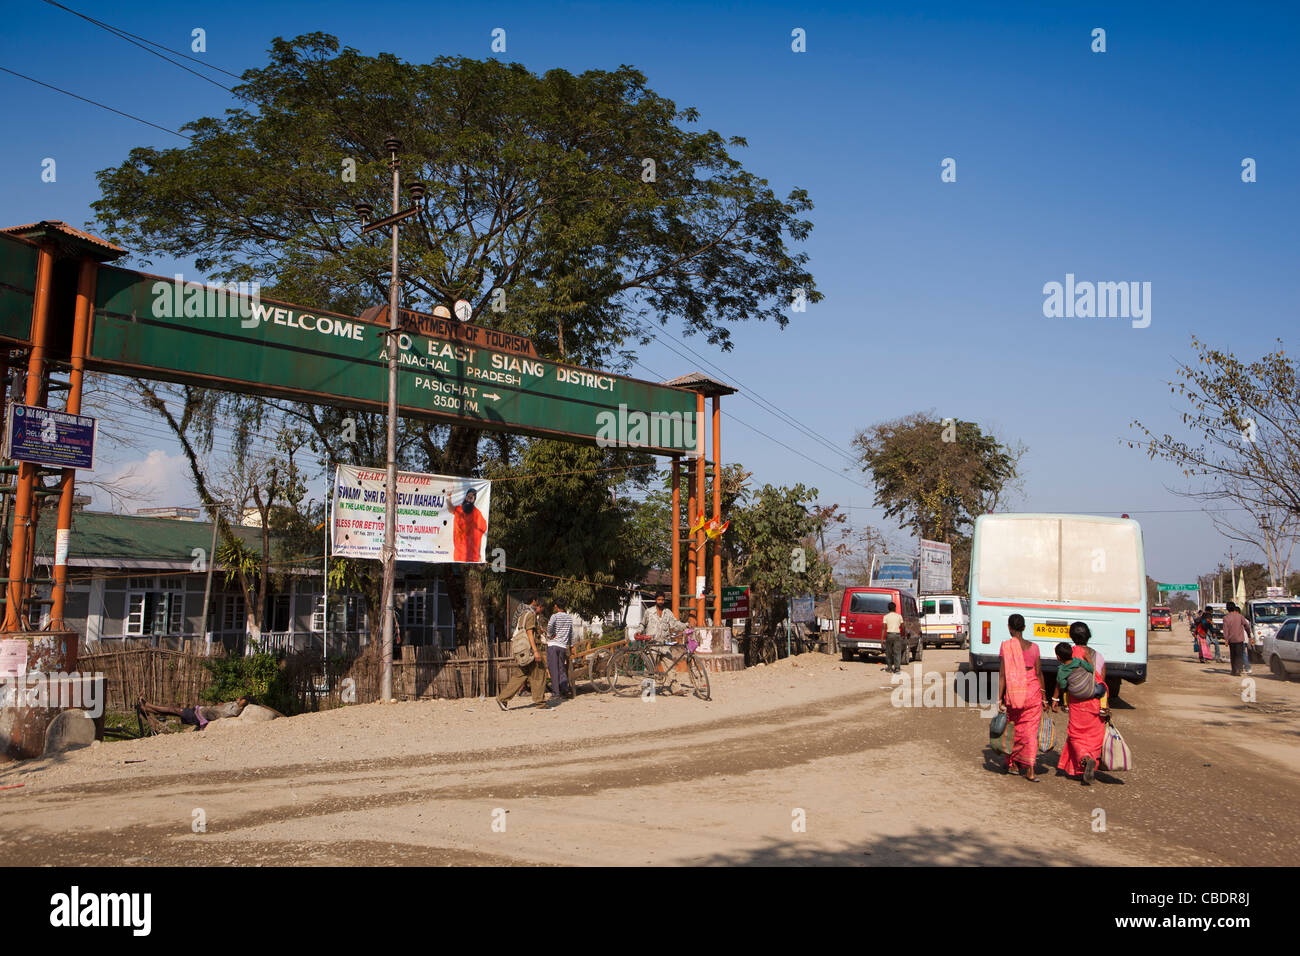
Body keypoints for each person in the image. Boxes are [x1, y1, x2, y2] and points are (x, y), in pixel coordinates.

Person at [1051, 622, 1108, 785]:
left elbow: (1060, 680)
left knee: (1076, 733)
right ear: (1088, 636)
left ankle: (1084, 757)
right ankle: (1091, 760)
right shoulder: (1098, 656)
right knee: (1094, 735)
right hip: (1095, 701)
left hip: (1077, 703)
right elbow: (1101, 680)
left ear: (1071, 636)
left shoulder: (1069, 653)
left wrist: (1055, 699)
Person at [997, 614, 1045, 782]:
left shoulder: (1006, 647)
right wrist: (1044, 698)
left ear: (1009, 628)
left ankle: (1014, 763)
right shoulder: (1034, 647)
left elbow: (1003, 675)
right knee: (1030, 732)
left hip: (1015, 692)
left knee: (1014, 728)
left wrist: (999, 698)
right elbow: (1038, 673)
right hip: (1033, 692)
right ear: (1024, 628)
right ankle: (1030, 769)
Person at [497, 596, 547, 711]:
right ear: (535, 602)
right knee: (539, 673)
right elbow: (530, 633)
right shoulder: (530, 614)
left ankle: (502, 698)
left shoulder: (522, 614)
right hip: (530, 650)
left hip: (523, 650)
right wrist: (535, 651)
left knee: (519, 675)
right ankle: (540, 703)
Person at [136, 696, 247, 733]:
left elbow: (223, 713)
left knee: (173, 710)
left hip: (199, 714)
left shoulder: (234, 710)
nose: (238, 699)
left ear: (243, 701)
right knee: (172, 711)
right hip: (200, 712)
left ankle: (148, 705)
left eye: (241, 699)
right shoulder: (233, 707)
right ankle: (147, 708)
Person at [545, 597, 576, 705]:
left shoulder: (554, 616)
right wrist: (571, 645)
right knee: (561, 667)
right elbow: (571, 633)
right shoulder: (569, 617)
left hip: (553, 645)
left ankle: (556, 693)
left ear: (556, 606)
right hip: (562, 646)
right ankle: (564, 688)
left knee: (553, 669)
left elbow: (549, 626)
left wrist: (550, 635)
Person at [451, 487, 487, 562]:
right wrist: (448, 497)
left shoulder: (477, 514)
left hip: (472, 557)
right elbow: (450, 509)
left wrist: (480, 555)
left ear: (474, 500)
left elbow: (479, 535)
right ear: (465, 497)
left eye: (471, 497)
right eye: (468, 496)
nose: (469, 499)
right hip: (458, 556)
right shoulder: (459, 509)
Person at [1222, 602, 1253, 677]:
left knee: (1233, 655)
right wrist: (1249, 635)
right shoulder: (1240, 616)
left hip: (1231, 640)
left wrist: (1226, 639)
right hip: (1240, 639)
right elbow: (1247, 626)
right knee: (1239, 655)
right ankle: (1239, 669)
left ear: (1227, 608)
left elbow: (1225, 629)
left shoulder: (1226, 618)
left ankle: (1234, 670)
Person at [882, 601, 905, 674]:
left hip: (889, 635)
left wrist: (882, 639)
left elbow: (883, 628)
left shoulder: (886, 616)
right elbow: (903, 626)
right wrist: (903, 635)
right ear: (895, 608)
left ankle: (889, 667)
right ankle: (897, 668)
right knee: (897, 652)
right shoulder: (899, 616)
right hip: (897, 635)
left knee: (888, 652)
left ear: (888, 608)